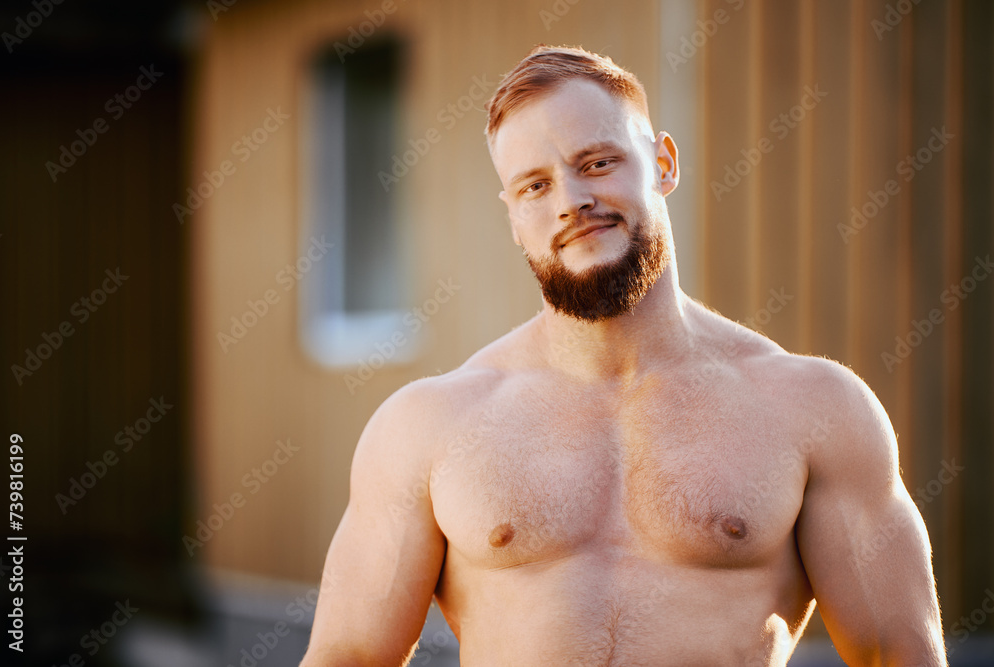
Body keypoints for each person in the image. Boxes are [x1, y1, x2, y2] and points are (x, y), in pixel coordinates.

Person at [300, 45, 947, 666]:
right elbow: (350, 656)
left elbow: (901, 654)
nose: (570, 201)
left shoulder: (816, 409)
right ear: (513, 216)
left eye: (598, 162)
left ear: (663, 162)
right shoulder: (427, 426)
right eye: (534, 186)